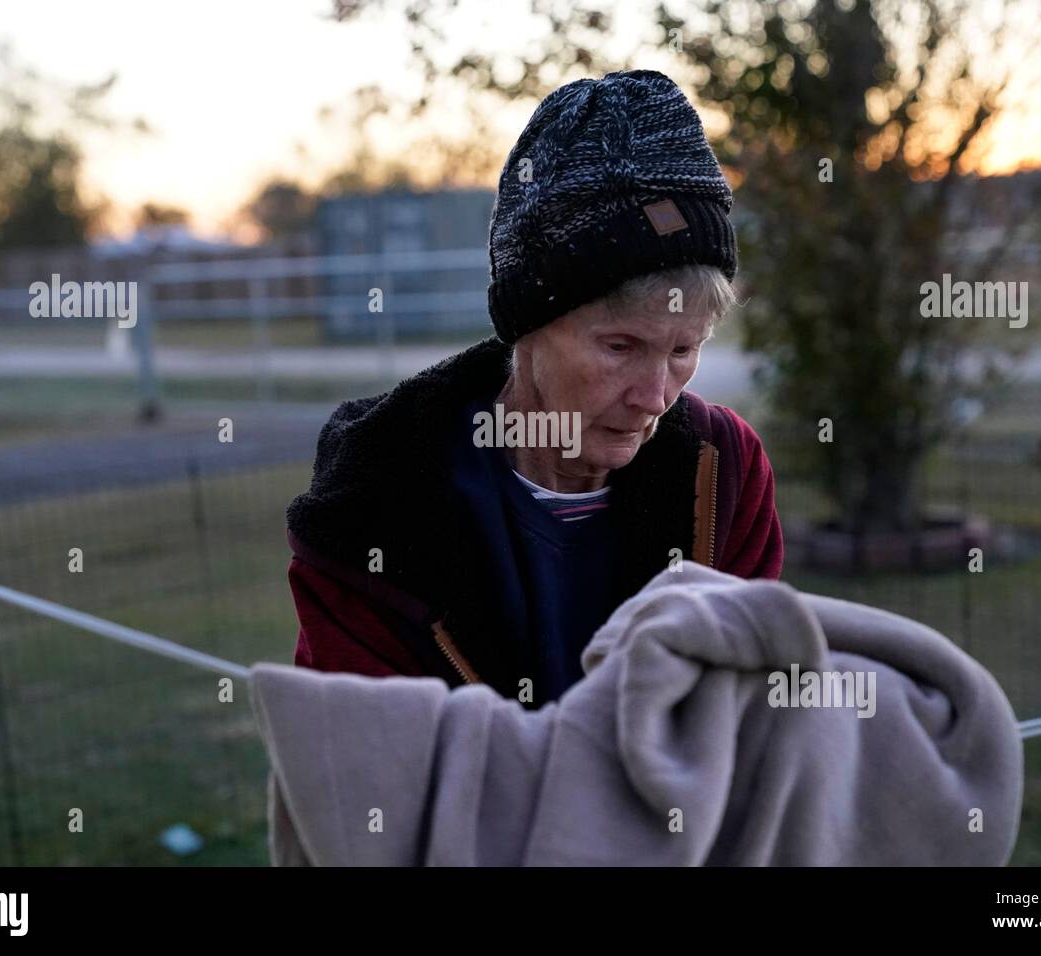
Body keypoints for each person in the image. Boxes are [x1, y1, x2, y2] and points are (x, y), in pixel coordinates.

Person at [285, 69, 783, 706]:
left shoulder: (722, 473)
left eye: (683, 350)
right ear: (527, 328)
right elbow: (365, 769)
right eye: (621, 347)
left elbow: (746, 717)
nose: (655, 397)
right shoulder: (373, 502)